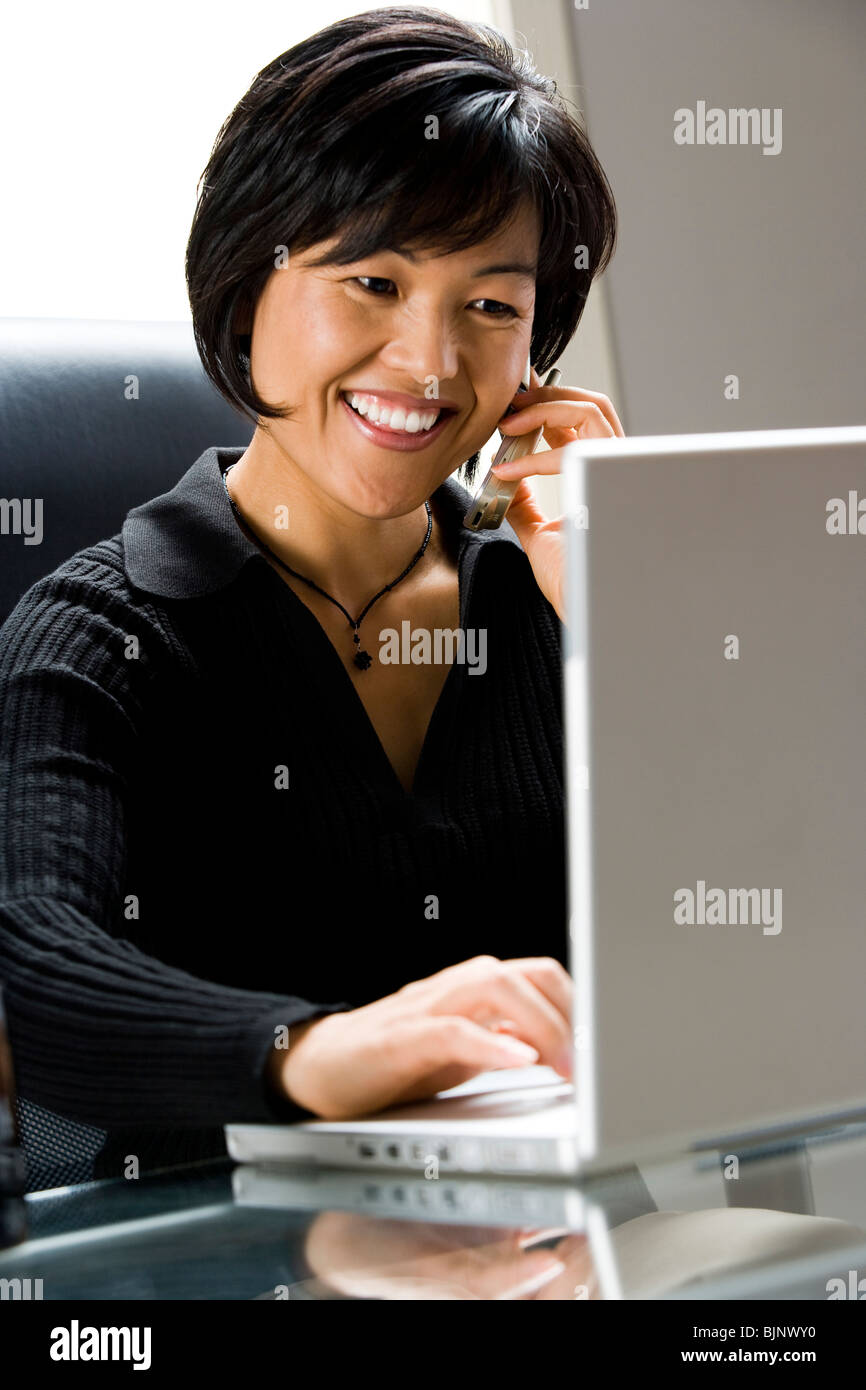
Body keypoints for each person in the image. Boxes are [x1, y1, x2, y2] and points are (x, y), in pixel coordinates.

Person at [0, 6, 623, 1185]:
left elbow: (765, 914)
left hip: (551, 1239)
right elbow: (32, 969)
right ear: (248, 290)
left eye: (490, 305)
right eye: (372, 281)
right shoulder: (99, 638)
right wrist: (311, 1050)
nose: (429, 361)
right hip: (233, 1258)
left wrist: (620, 614)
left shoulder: (552, 594)